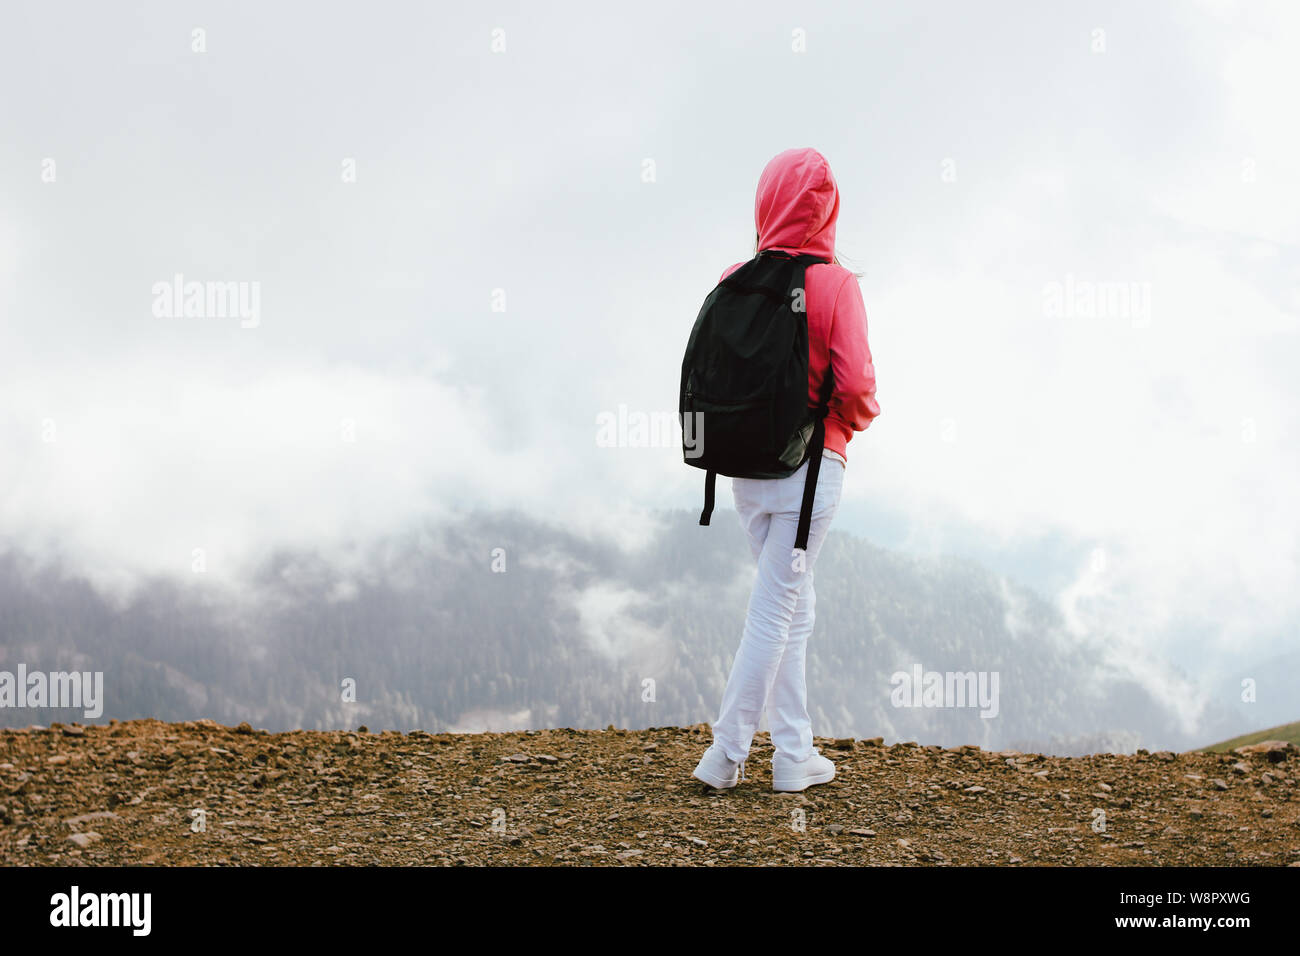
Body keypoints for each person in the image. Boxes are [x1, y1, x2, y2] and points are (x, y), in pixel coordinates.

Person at [692, 147, 880, 792]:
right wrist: (848, 426)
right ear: (827, 209)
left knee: (794, 608)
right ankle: (725, 757)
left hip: (746, 470)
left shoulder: (734, 276)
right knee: (775, 611)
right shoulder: (836, 284)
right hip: (811, 471)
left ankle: (795, 753)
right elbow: (856, 387)